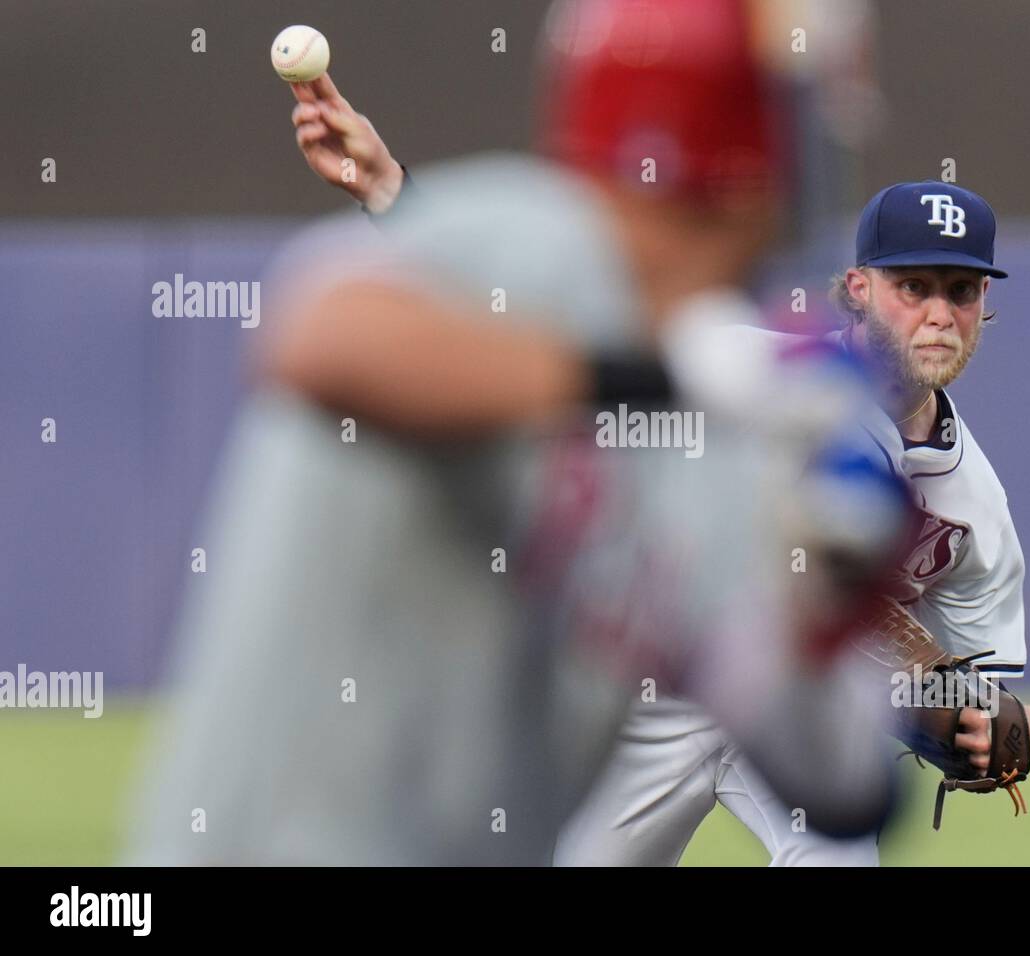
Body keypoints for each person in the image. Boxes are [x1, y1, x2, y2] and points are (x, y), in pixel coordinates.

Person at [127, 0, 908, 866]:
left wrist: (827, 621)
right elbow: (314, 337)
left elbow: (844, 792)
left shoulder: (716, 442)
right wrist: (663, 384)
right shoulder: (527, 238)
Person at [555, 182, 1030, 866]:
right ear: (857, 286)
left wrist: (980, 719)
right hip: (667, 694)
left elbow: (965, 686)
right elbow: (565, 355)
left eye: (962, 290)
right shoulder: (751, 366)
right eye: (913, 286)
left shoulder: (977, 508)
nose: (939, 314)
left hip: (802, 710)